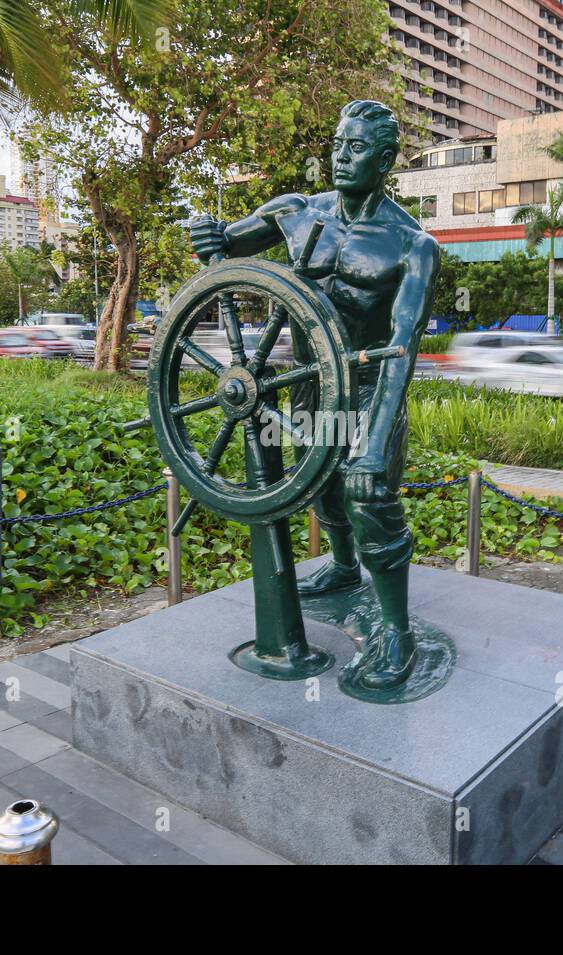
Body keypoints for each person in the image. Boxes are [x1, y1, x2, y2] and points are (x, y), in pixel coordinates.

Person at [188, 100, 439, 690]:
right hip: (306, 384)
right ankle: (344, 567)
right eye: (336, 143)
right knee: (321, 494)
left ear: (385, 160)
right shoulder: (296, 212)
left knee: (368, 496)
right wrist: (207, 234)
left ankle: (395, 632)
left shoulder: (412, 246)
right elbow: (225, 248)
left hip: (370, 386)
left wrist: (374, 444)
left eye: (357, 148)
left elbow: (403, 348)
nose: (341, 156)